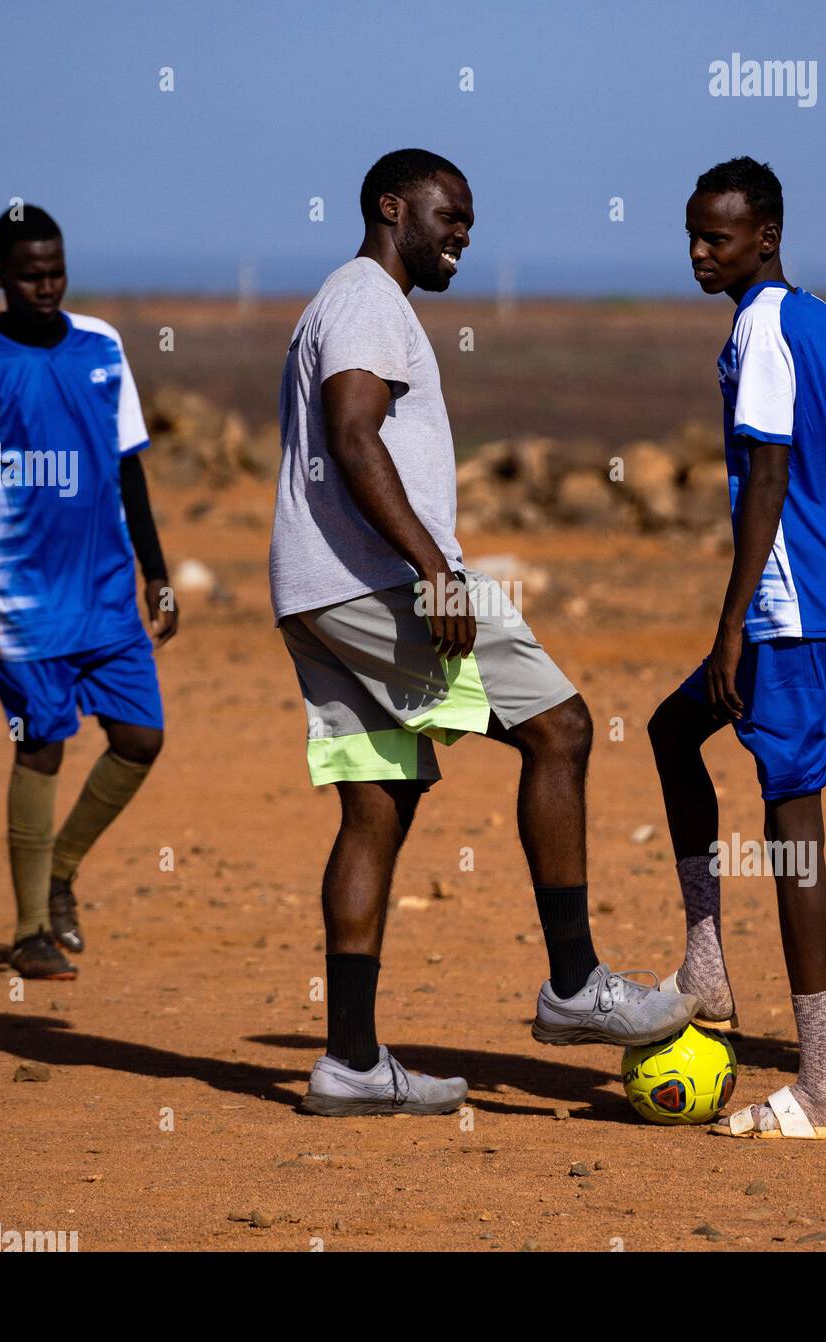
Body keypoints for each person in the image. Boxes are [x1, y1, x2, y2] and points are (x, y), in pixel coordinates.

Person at [272, 147, 695, 1117]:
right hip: (380, 585)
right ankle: (575, 982)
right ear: (392, 207)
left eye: (469, 218)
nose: (463, 231)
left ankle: (347, 1059)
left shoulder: (343, 301)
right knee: (561, 728)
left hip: (314, 589)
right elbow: (351, 429)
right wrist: (430, 565)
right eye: (448, 213)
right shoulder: (367, 296)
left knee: (375, 806)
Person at [648, 157, 826, 1141]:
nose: (701, 254)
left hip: (784, 610)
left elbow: (772, 476)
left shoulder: (762, 325)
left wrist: (730, 625)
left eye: (718, 238)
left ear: (767, 239)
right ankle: (705, 960)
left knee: (794, 834)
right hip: (823, 603)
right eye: (693, 237)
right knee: (672, 732)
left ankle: (823, 1080)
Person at [0, 205, 177, 981]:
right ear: (1, 277)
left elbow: (130, 466)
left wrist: (157, 572)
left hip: (106, 589)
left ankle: (62, 869)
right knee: (41, 745)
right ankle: (29, 927)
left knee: (140, 738)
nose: (46, 287)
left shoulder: (102, 344)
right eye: (30, 275)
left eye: (56, 272)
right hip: (20, 593)